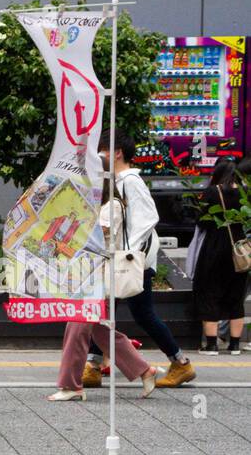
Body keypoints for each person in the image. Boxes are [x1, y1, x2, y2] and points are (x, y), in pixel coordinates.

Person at [84, 137, 195, 387]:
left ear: (117, 153)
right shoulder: (116, 181)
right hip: (123, 259)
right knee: (103, 310)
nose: (98, 156)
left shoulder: (131, 182)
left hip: (132, 261)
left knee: (138, 313)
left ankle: (181, 363)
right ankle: (92, 365)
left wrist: (129, 253)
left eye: (103, 151)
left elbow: (147, 219)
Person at [193, 158, 246, 355]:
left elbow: (201, 221)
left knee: (210, 293)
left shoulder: (212, 192)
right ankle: (234, 345)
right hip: (238, 248)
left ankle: (212, 344)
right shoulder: (244, 192)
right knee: (236, 296)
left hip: (214, 247)